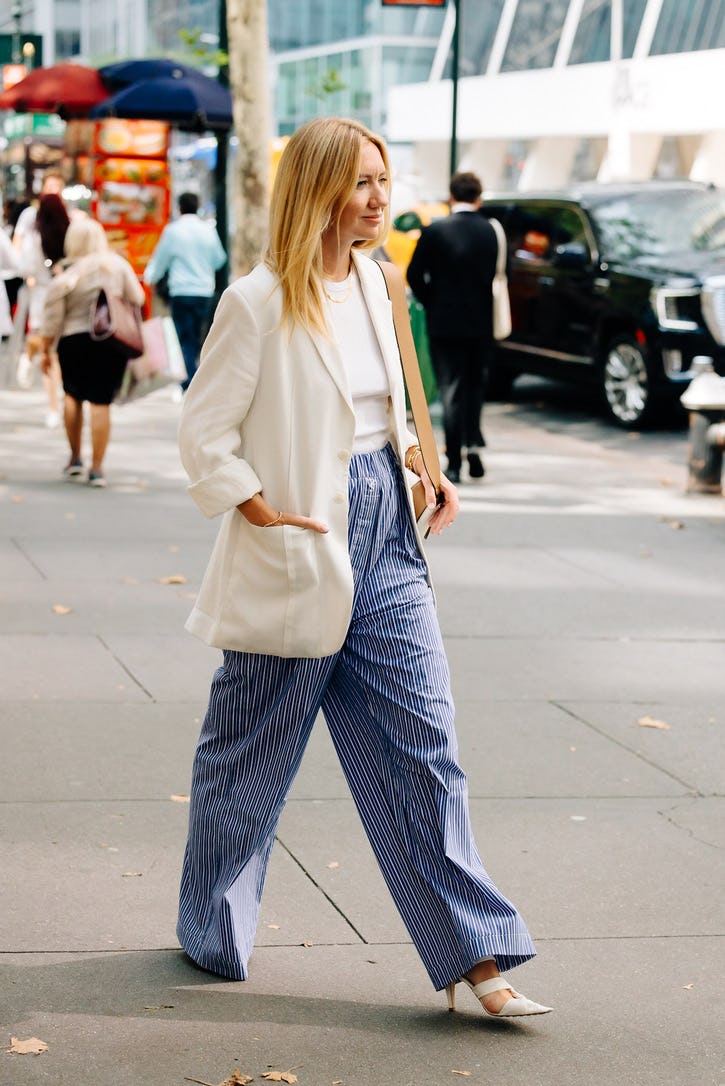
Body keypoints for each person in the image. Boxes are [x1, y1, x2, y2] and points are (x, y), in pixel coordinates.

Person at [176, 117, 552, 1021]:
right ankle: (210, 926)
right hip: (302, 529)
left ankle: (476, 957)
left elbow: (392, 401)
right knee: (249, 755)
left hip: (387, 527)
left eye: (384, 180)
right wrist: (255, 503)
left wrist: (426, 462)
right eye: (362, 184)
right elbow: (203, 428)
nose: (380, 199)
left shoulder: (385, 282)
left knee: (426, 744)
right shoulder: (259, 301)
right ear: (318, 190)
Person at [407, 172, 499, 484]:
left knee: (451, 390)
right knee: (475, 385)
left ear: (450, 196)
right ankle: (474, 447)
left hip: (444, 322)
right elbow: (503, 275)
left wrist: (432, 301)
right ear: (479, 197)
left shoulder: (434, 231)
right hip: (481, 322)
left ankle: (454, 461)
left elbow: (414, 273)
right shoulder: (491, 231)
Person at [39, 218, 145, 488]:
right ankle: (97, 469)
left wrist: (45, 349)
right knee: (101, 402)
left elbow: (53, 316)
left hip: (73, 340)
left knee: (72, 396)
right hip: (110, 341)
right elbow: (138, 298)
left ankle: (75, 459)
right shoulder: (117, 265)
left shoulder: (68, 271)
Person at [144, 191, 226, 392]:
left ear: (179, 208)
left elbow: (159, 261)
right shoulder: (207, 230)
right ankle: (195, 377)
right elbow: (219, 259)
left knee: (184, 337)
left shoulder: (173, 231)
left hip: (180, 291)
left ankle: (189, 380)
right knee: (199, 336)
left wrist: (150, 278)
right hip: (203, 291)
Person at [16, 193, 71, 425]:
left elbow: (25, 266)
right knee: (58, 351)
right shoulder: (70, 234)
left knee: (46, 351)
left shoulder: (35, 238)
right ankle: (60, 398)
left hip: (42, 297)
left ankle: (53, 407)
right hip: (66, 297)